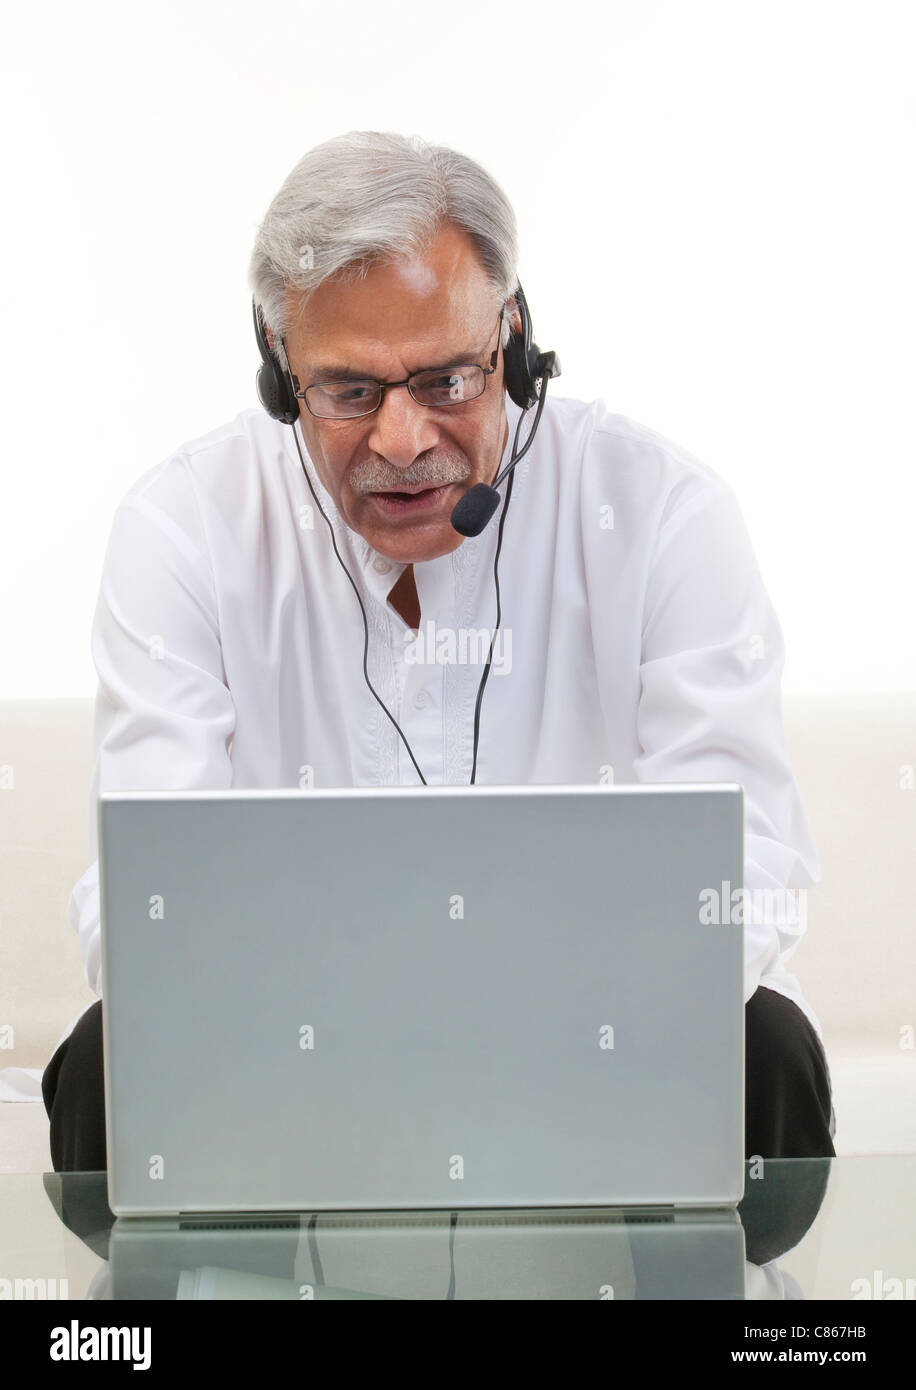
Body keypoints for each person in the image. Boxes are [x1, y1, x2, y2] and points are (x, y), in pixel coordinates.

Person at [43, 130, 835, 1172]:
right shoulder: (182, 525)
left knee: (767, 1045)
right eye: (351, 392)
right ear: (282, 371)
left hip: (597, 1045)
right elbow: (144, 906)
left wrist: (539, 1011)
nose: (405, 440)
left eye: (449, 380)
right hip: (287, 1058)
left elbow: (753, 870)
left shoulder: (661, 512)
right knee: (105, 1056)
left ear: (510, 335)